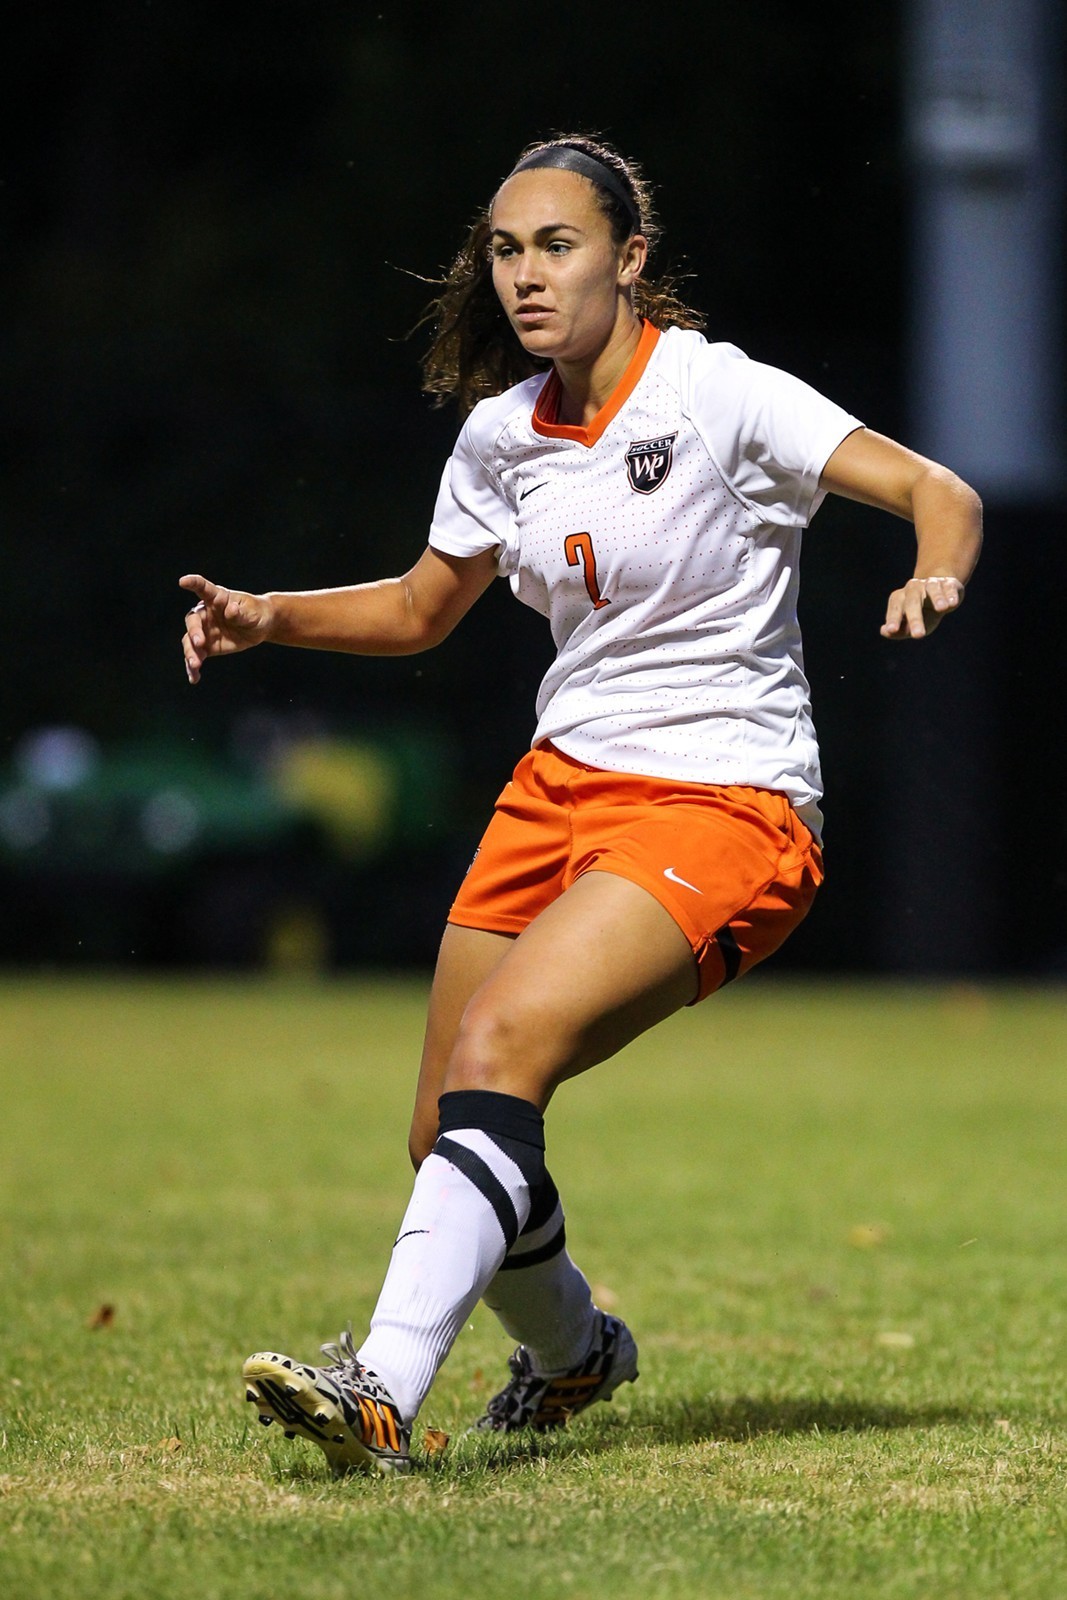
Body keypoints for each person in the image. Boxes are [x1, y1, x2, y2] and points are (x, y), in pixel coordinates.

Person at [180, 135, 982, 1475]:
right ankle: (577, 1354)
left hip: (722, 799)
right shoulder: (503, 434)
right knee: (447, 1130)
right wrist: (271, 618)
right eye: (505, 249)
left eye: (558, 245)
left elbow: (932, 488)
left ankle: (379, 1395)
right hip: (556, 793)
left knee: (504, 1049)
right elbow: (421, 607)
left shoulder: (720, 395)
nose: (527, 275)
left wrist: (936, 570)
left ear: (631, 258)